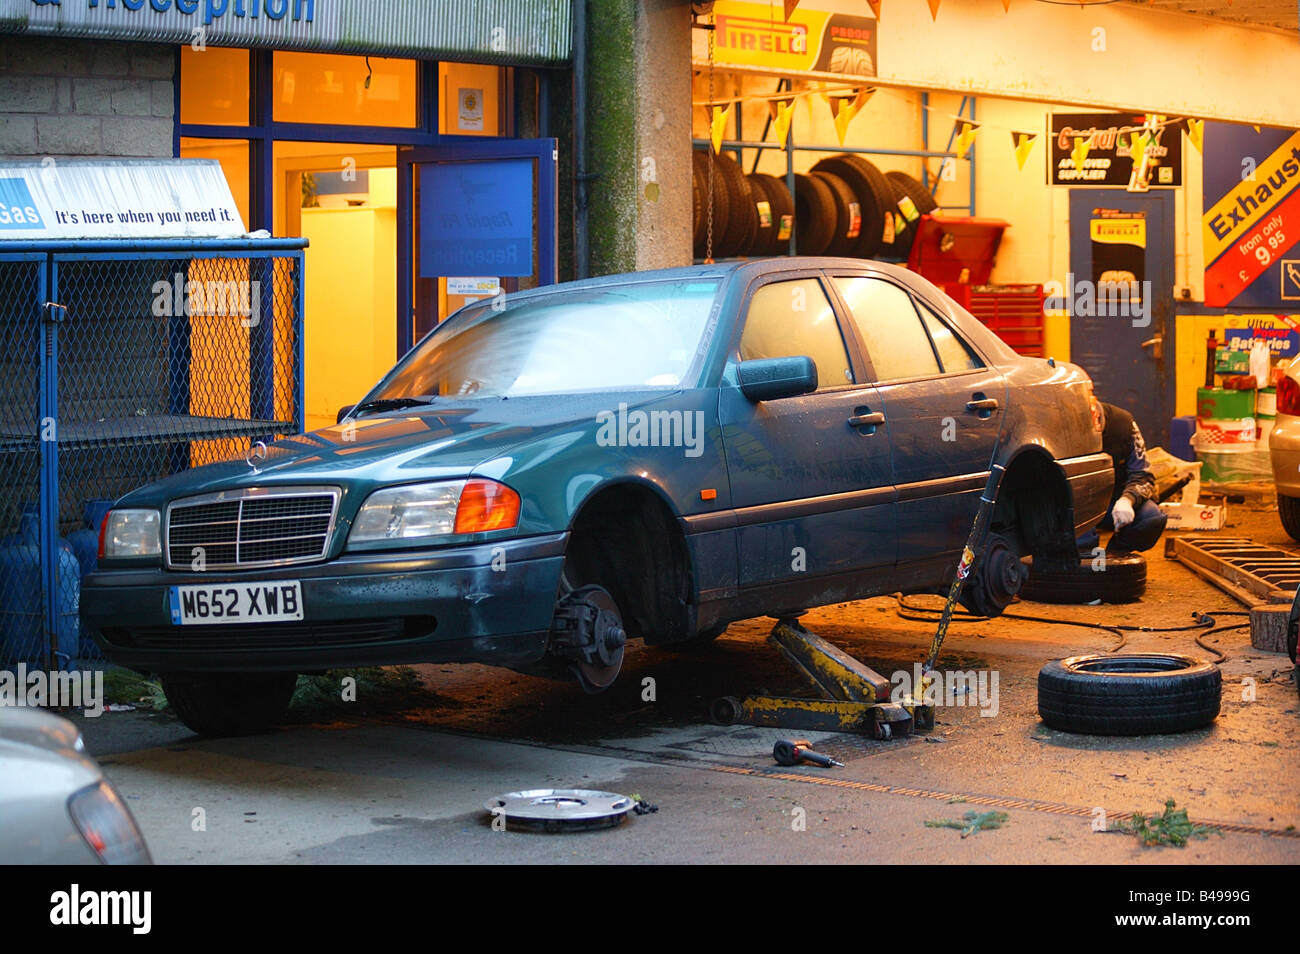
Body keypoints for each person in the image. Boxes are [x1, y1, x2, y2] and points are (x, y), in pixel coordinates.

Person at [1077, 401, 1167, 554]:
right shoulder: (1059, 429)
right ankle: (1082, 560)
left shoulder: (1123, 424)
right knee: (1081, 544)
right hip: (1075, 505)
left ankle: (1116, 556)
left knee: (1150, 519)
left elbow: (1143, 475)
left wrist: (1128, 500)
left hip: (1113, 500)